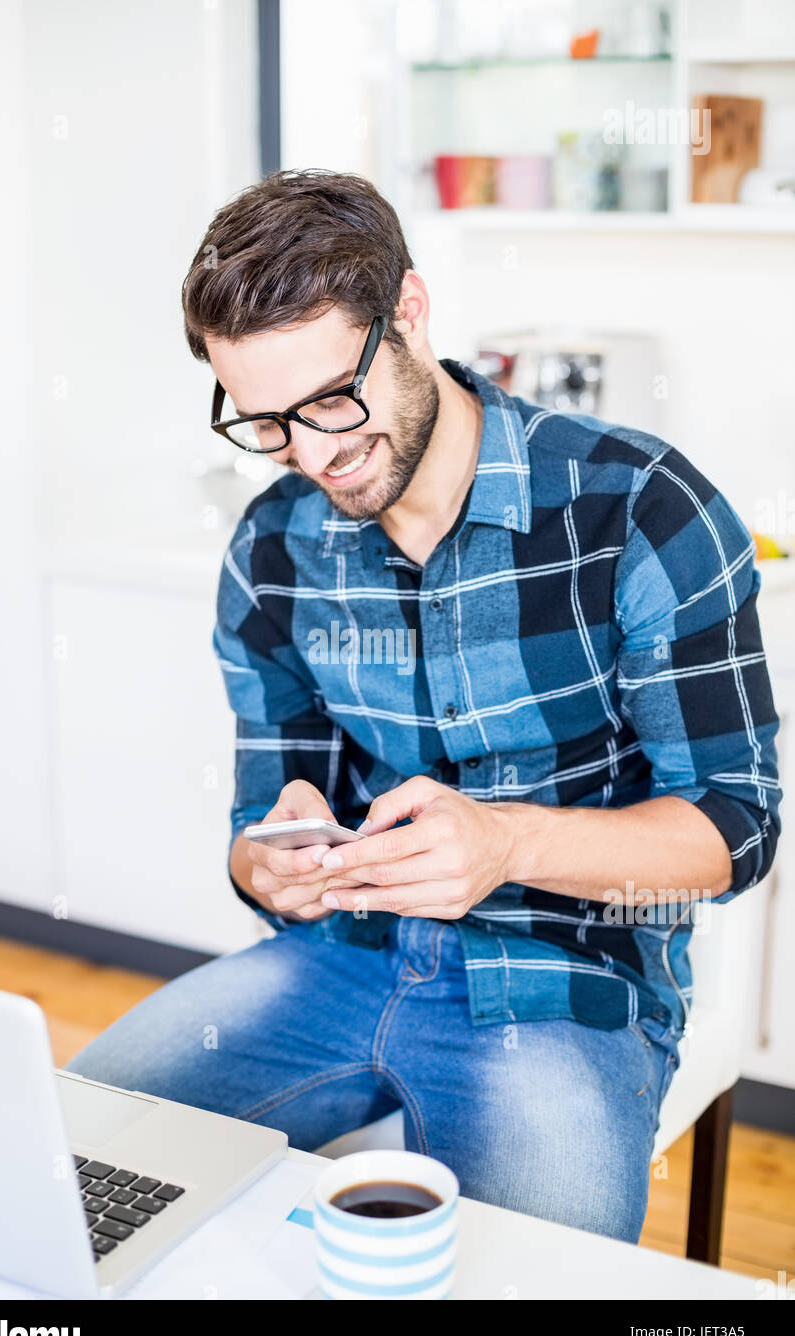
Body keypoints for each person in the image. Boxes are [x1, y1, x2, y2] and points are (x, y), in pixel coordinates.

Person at [68, 170, 781, 1242]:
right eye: (263, 423)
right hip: (338, 959)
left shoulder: (636, 509)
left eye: (328, 401)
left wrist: (504, 843)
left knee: (521, 1287)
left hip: (560, 983)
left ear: (407, 310)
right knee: (70, 1170)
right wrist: (262, 861)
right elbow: (265, 810)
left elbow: (736, 827)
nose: (310, 454)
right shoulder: (273, 549)